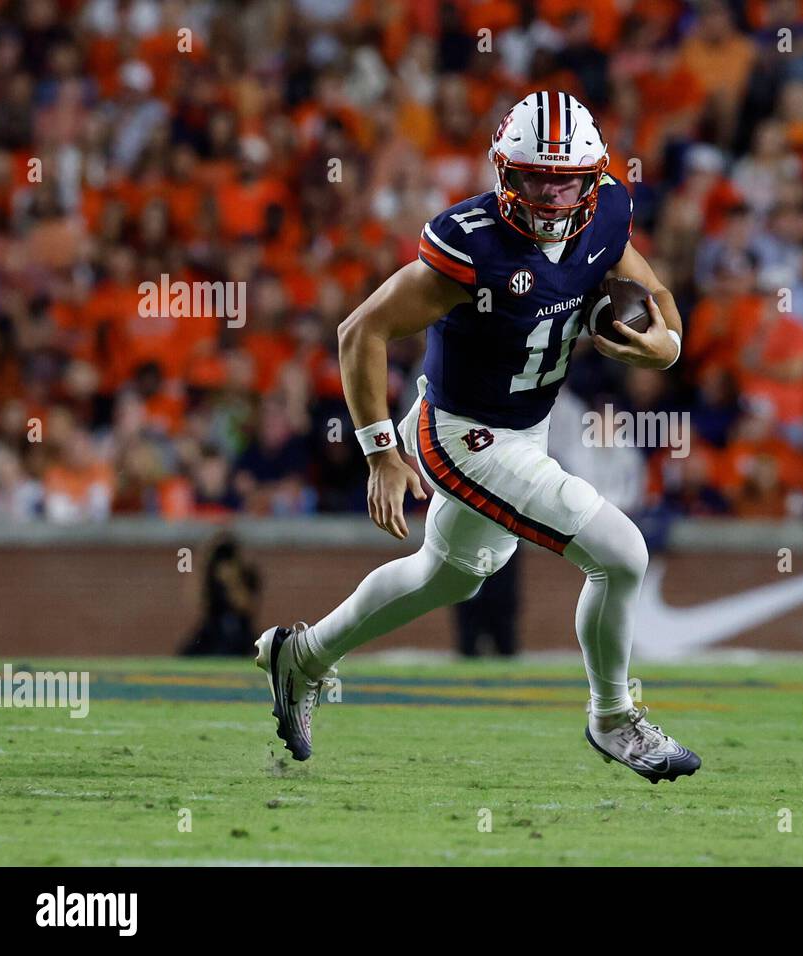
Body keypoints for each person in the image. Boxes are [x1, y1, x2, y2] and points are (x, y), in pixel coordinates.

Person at [254, 92, 701, 783]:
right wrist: (379, 453)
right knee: (622, 554)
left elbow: (656, 300)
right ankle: (613, 717)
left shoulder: (608, 213)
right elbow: (360, 331)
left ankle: (302, 656)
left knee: (450, 577)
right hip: (462, 435)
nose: (551, 195)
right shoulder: (471, 242)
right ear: (504, 173)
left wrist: (660, 350)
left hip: (528, 428)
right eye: (534, 177)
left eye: (566, 179)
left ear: (593, 178)